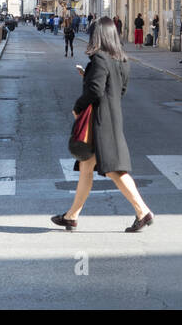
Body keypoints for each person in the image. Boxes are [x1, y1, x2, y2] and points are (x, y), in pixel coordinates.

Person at [52, 16, 154, 233]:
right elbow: (118, 89)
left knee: (114, 169)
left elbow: (95, 90)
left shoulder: (100, 58)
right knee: (87, 168)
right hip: (112, 116)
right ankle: (71, 216)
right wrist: (87, 75)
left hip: (99, 121)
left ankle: (142, 210)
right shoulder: (122, 59)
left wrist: (78, 107)